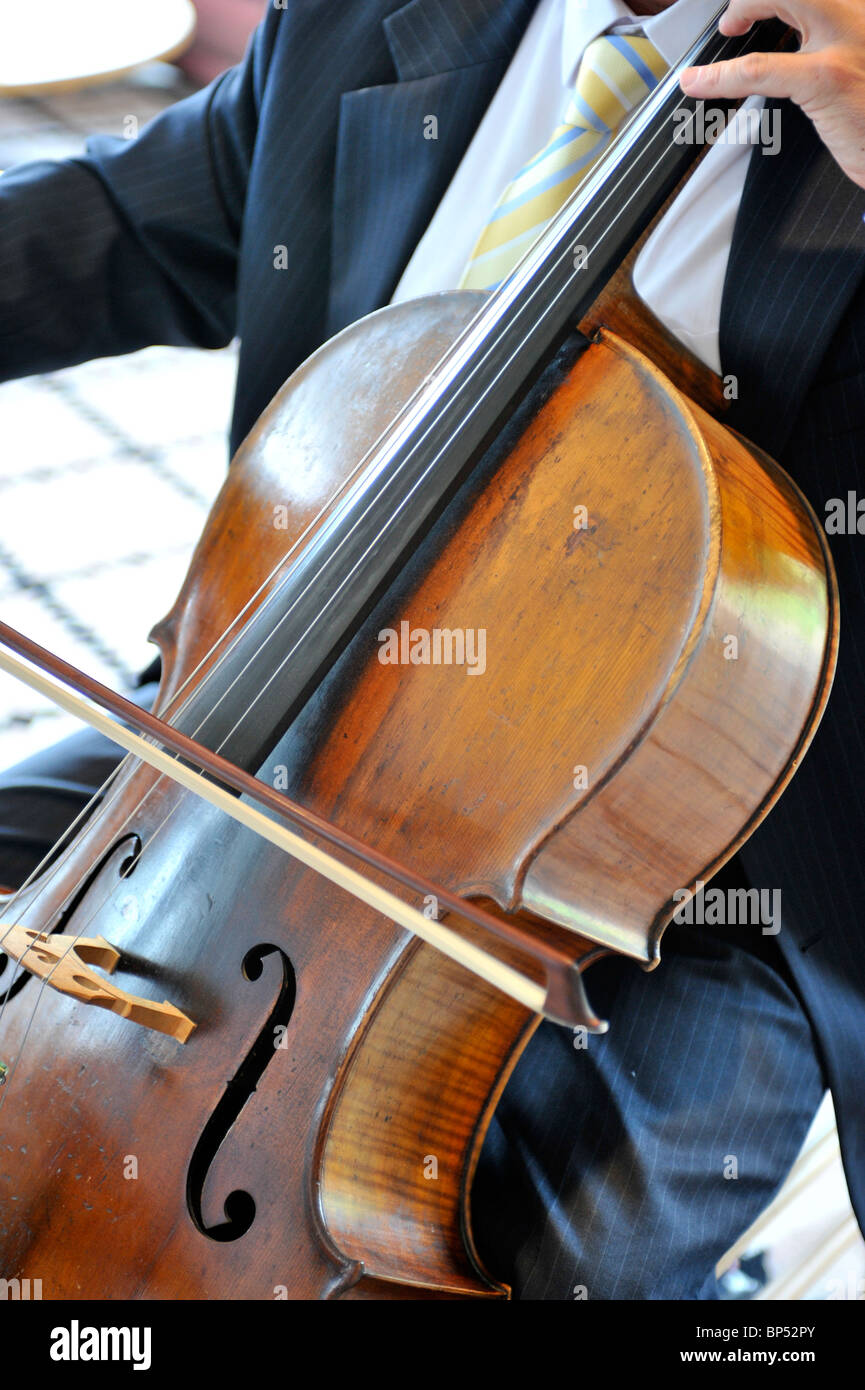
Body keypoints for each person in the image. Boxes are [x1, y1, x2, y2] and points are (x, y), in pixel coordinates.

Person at [1, 0, 864, 1299]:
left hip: (659, 877)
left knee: (520, 1267)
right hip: (255, 726)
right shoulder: (370, 19)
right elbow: (119, 219)